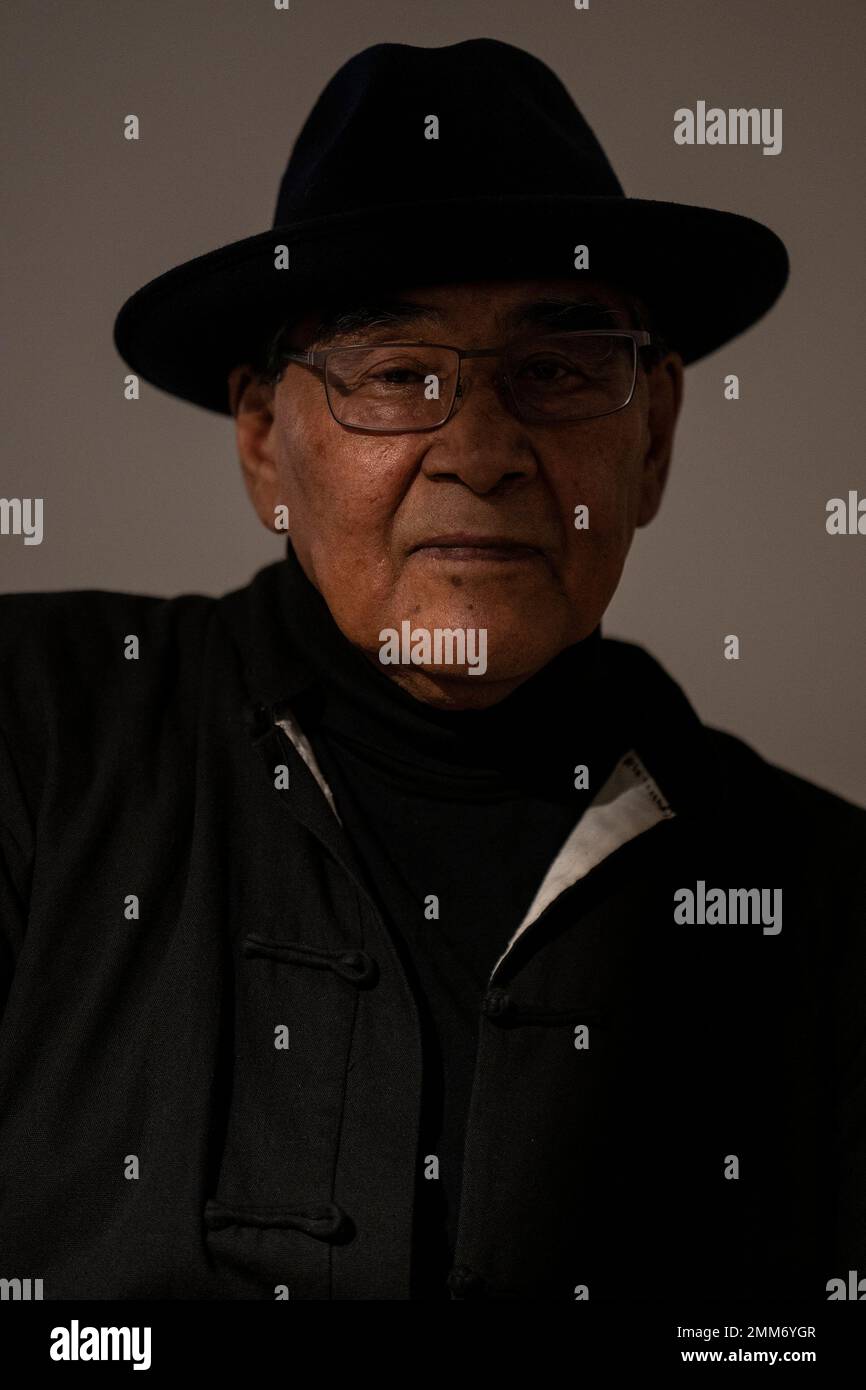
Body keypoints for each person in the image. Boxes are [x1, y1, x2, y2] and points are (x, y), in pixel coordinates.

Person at [0, 37, 863, 1303]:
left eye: (557, 371)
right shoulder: (33, 741)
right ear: (261, 443)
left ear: (655, 436)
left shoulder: (828, 905)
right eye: (397, 374)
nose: (478, 448)